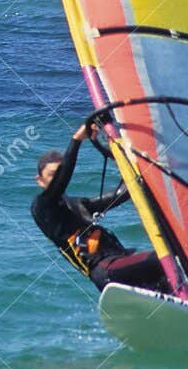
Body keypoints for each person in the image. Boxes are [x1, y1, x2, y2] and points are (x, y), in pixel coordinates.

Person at [30, 122, 170, 293]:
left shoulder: (78, 205)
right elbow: (62, 179)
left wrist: (142, 168)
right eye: (52, 174)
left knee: (168, 276)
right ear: (39, 180)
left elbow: (121, 193)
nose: (57, 177)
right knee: (164, 260)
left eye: (59, 172)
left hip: (121, 262)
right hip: (105, 270)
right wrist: (77, 140)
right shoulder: (41, 207)